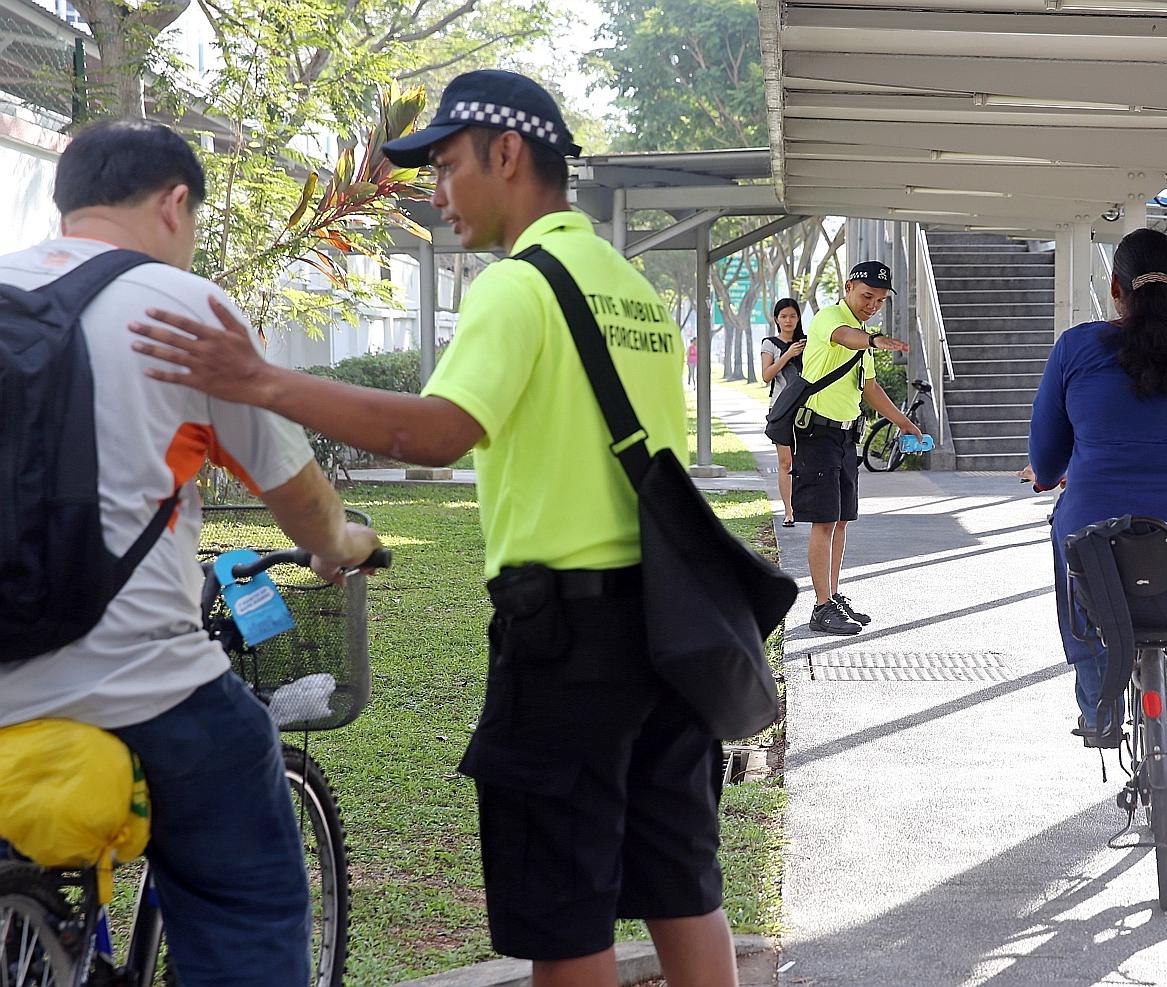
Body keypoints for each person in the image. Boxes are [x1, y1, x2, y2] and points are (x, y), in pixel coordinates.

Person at [127, 70, 740, 987]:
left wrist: (260, 380)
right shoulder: (633, 290)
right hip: (667, 629)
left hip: (564, 643)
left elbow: (433, 432)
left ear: (507, 153)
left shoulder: (518, 286)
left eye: (449, 165)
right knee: (682, 885)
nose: (438, 191)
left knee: (566, 912)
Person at [0, 119, 382, 986]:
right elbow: (300, 498)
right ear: (176, 202)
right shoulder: (182, 308)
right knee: (248, 887)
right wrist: (342, 544)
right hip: (139, 686)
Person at [1025, 227, 1167, 810]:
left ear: (1114, 288)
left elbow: (1046, 460)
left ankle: (1098, 710)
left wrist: (1053, 474)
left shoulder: (1076, 348)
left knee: (1082, 603)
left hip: (1095, 530)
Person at [794, 261, 922, 636]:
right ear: (848, 286)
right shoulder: (829, 319)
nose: (872, 304)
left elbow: (869, 387)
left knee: (842, 518)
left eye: (880, 300)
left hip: (846, 436)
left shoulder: (863, 329)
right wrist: (873, 340)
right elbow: (844, 336)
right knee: (823, 521)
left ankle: (832, 595)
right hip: (816, 433)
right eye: (867, 296)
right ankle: (820, 607)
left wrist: (904, 422)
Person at [760, 297, 806, 526]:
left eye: (793, 316)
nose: (788, 320)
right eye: (784, 316)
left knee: (805, 460)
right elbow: (766, 375)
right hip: (780, 408)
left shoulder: (808, 343)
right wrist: (788, 355)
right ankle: (788, 510)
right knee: (786, 461)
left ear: (799, 318)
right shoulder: (770, 344)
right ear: (776, 319)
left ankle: (804, 506)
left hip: (806, 408)